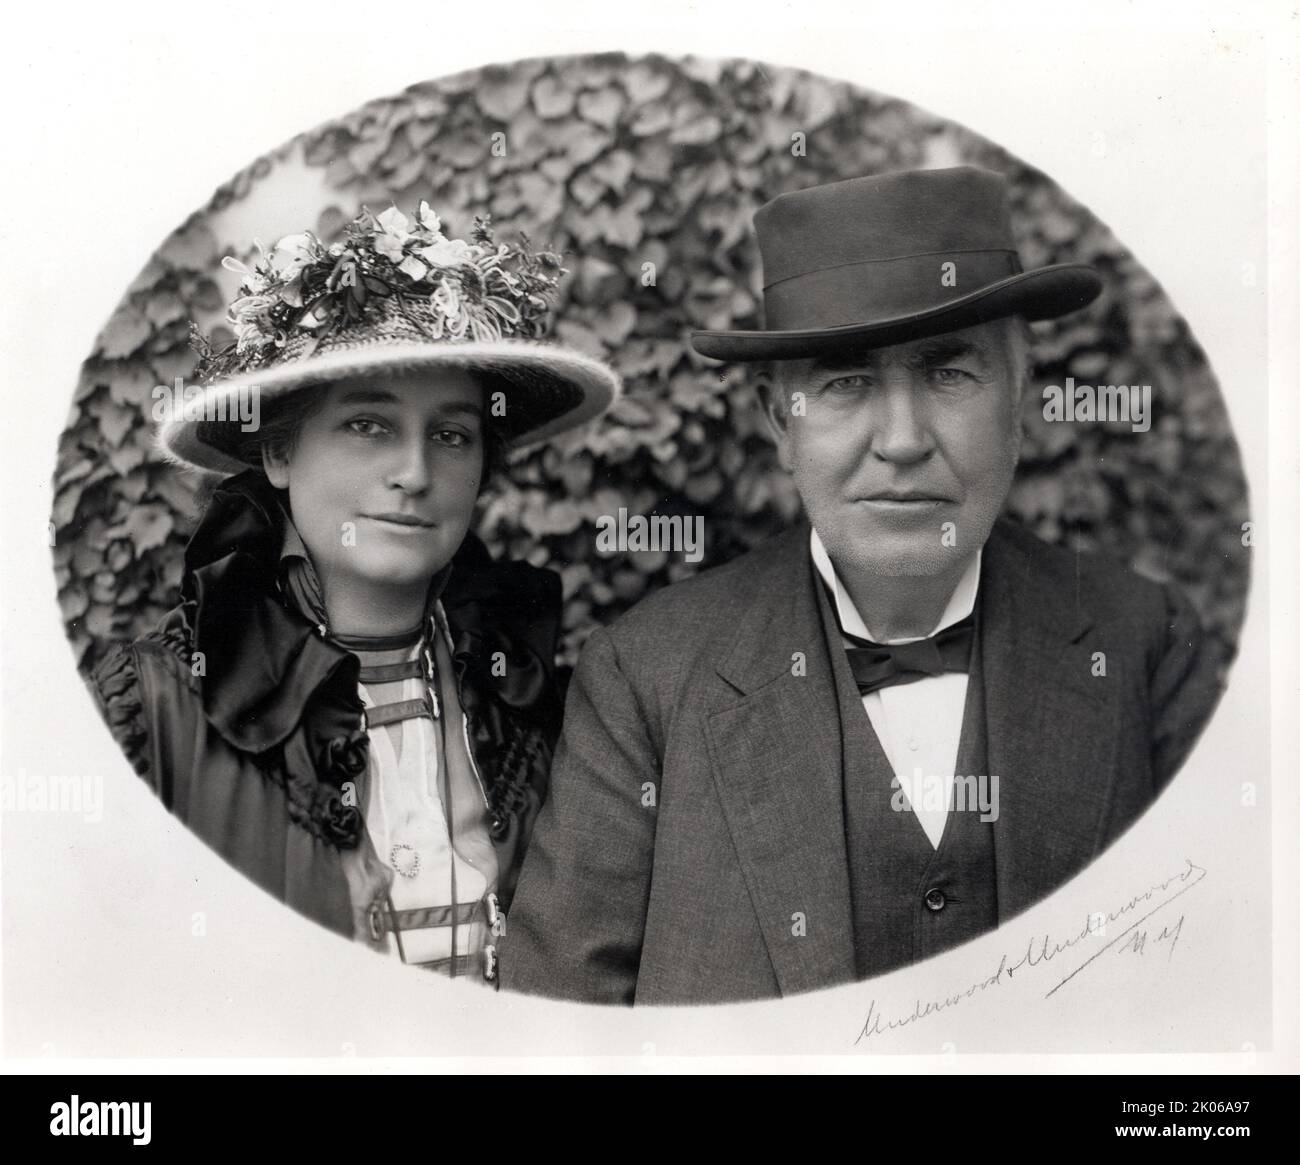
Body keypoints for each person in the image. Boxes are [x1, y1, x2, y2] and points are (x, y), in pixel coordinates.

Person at [501, 166, 1225, 1004]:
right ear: (782, 422)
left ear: (1020, 401)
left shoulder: (1144, 643)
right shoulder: (647, 679)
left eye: (950, 373)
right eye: (846, 383)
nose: (904, 440)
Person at [91, 203, 620, 983]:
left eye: (451, 434)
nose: (414, 472)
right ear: (277, 450)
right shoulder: (161, 709)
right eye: (369, 425)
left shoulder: (536, 703)